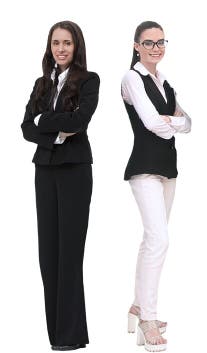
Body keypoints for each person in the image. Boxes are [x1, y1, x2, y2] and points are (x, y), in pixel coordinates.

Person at [21, 20, 98, 352]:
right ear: (49, 46)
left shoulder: (88, 80)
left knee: (69, 253)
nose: (61, 49)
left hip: (75, 171)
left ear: (76, 46)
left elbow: (79, 121)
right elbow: (26, 127)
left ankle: (70, 336)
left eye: (67, 43)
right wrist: (54, 131)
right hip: (45, 170)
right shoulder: (42, 83)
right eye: (56, 43)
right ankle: (58, 336)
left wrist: (44, 120)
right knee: (48, 253)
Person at [121, 20, 191, 352]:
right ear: (137, 46)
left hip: (168, 170)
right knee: (160, 240)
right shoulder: (131, 78)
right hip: (144, 169)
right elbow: (151, 123)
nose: (156, 48)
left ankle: (138, 307)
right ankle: (148, 319)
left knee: (152, 240)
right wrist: (171, 123)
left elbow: (188, 123)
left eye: (161, 42)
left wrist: (172, 122)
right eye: (148, 43)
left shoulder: (165, 83)